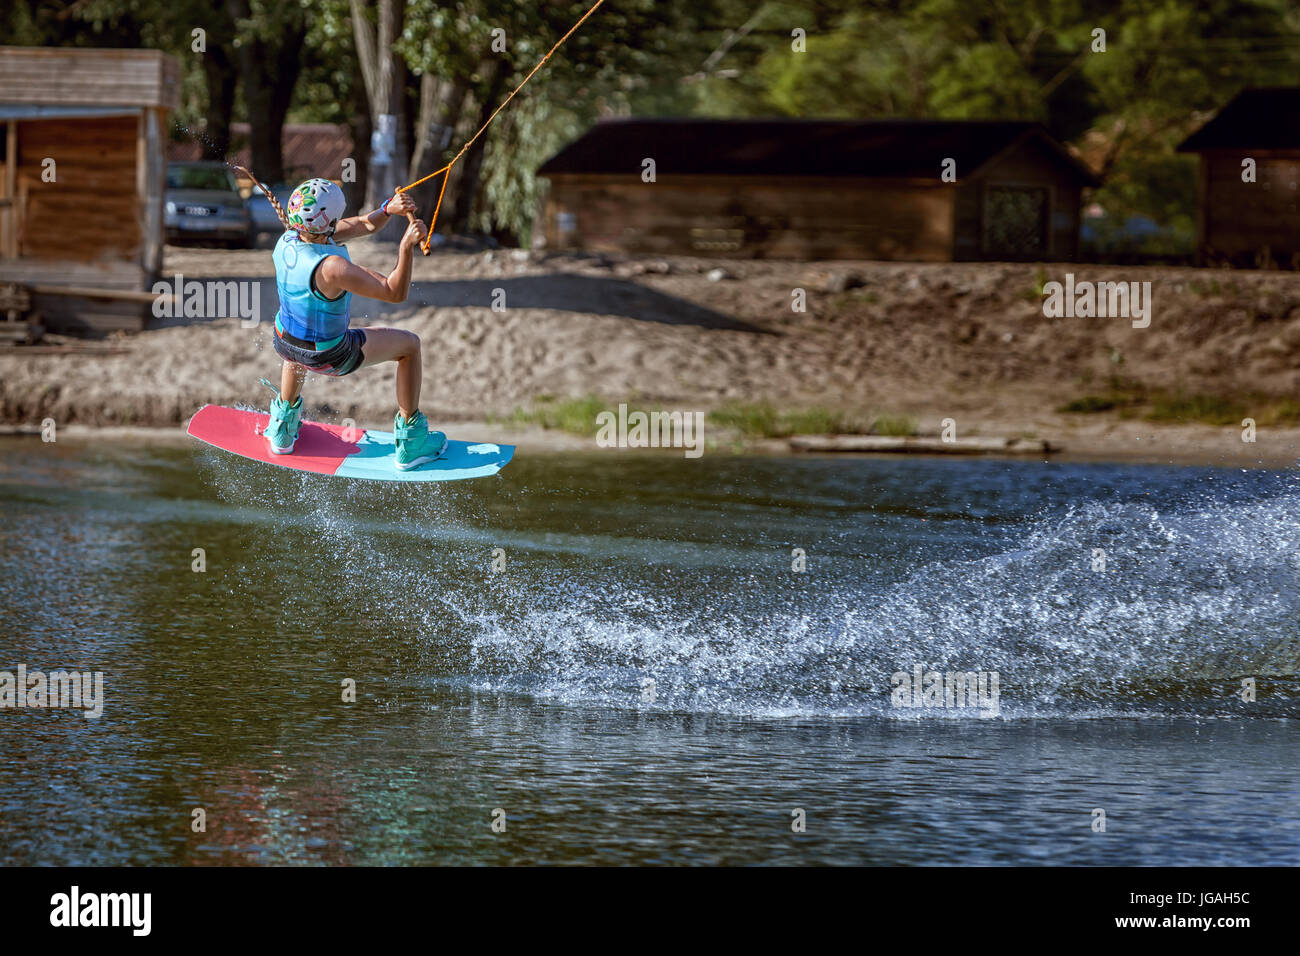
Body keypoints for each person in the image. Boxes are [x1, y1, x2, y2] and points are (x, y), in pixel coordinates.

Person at [259, 177, 445, 470]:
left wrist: (387, 209)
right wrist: (405, 247)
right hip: (330, 356)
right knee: (410, 345)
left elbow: (362, 224)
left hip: (284, 342)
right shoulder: (333, 268)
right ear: (329, 223)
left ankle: (282, 427)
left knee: (296, 345)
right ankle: (412, 442)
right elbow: (394, 292)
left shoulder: (287, 239)